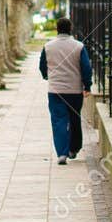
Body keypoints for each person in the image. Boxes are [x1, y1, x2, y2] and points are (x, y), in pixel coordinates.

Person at [40, 17, 92, 163]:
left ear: (57, 29)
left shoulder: (48, 46)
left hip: (55, 91)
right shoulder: (79, 46)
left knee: (58, 121)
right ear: (70, 29)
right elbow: (86, 68)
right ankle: (74, 148)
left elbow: (42, 66)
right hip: (75, 91)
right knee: (74, 119)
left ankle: (62, 153)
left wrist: (47, 76)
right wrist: (87, 86)